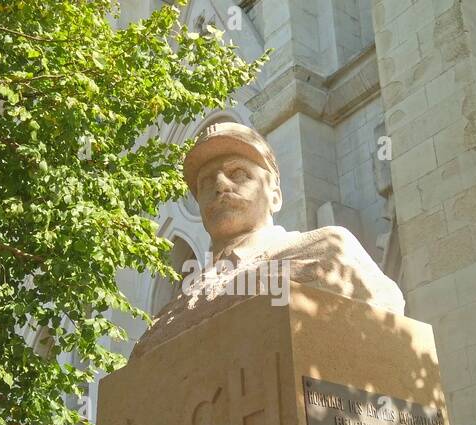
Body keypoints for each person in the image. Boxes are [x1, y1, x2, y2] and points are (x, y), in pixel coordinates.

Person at [131, 122, 405, 358]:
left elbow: (386, 312)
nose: (220, 185)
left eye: (238, 173)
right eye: (205, 182)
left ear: (275, 196)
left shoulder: (327, 250)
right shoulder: (170, 312)